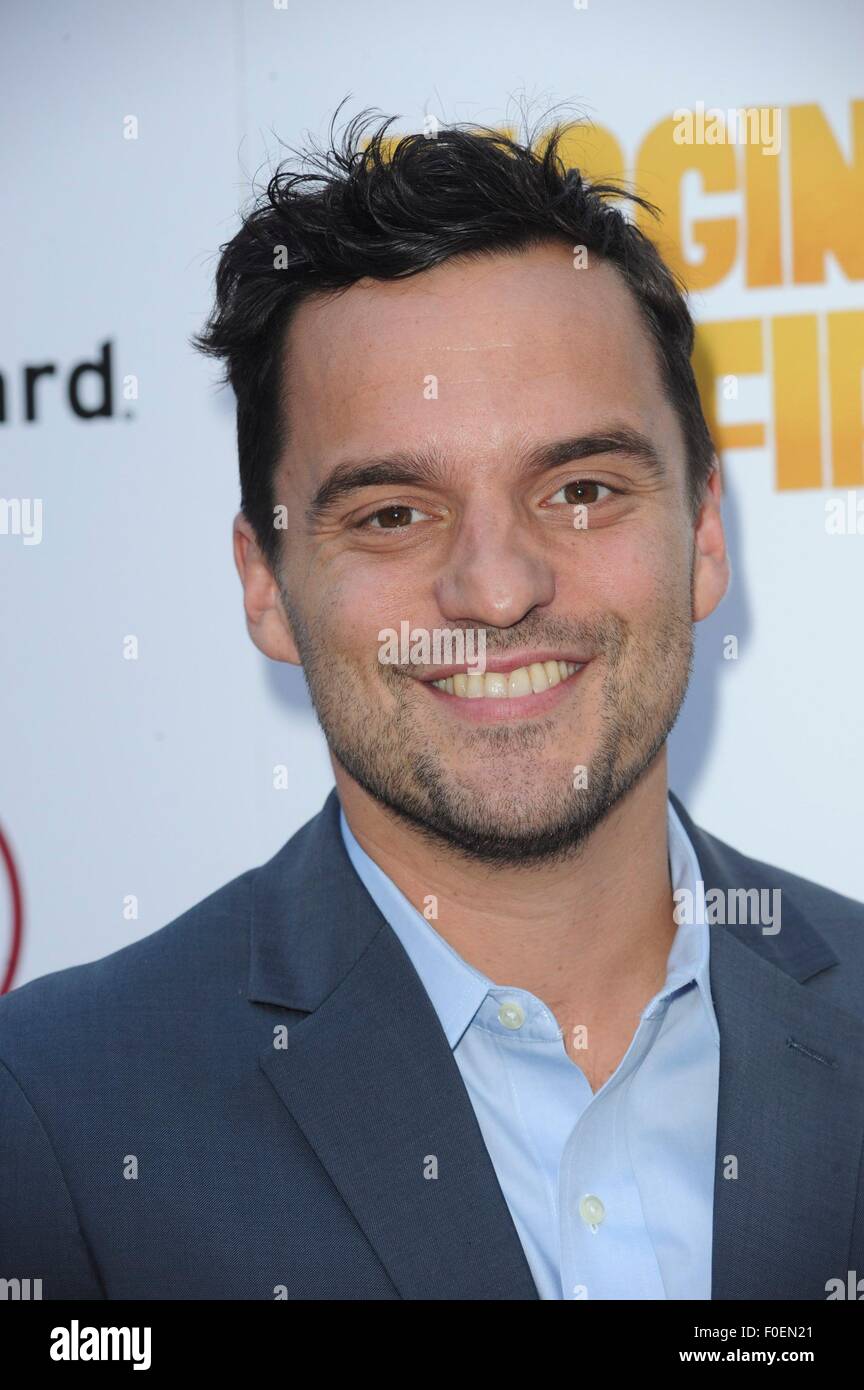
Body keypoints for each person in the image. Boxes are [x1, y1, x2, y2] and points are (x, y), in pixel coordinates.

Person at [2, 110, 863, 1302]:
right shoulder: (57, 1109)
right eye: (394, 512)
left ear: (706, 535)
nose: (499, 589)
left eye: (581, 488)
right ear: (265, 586)